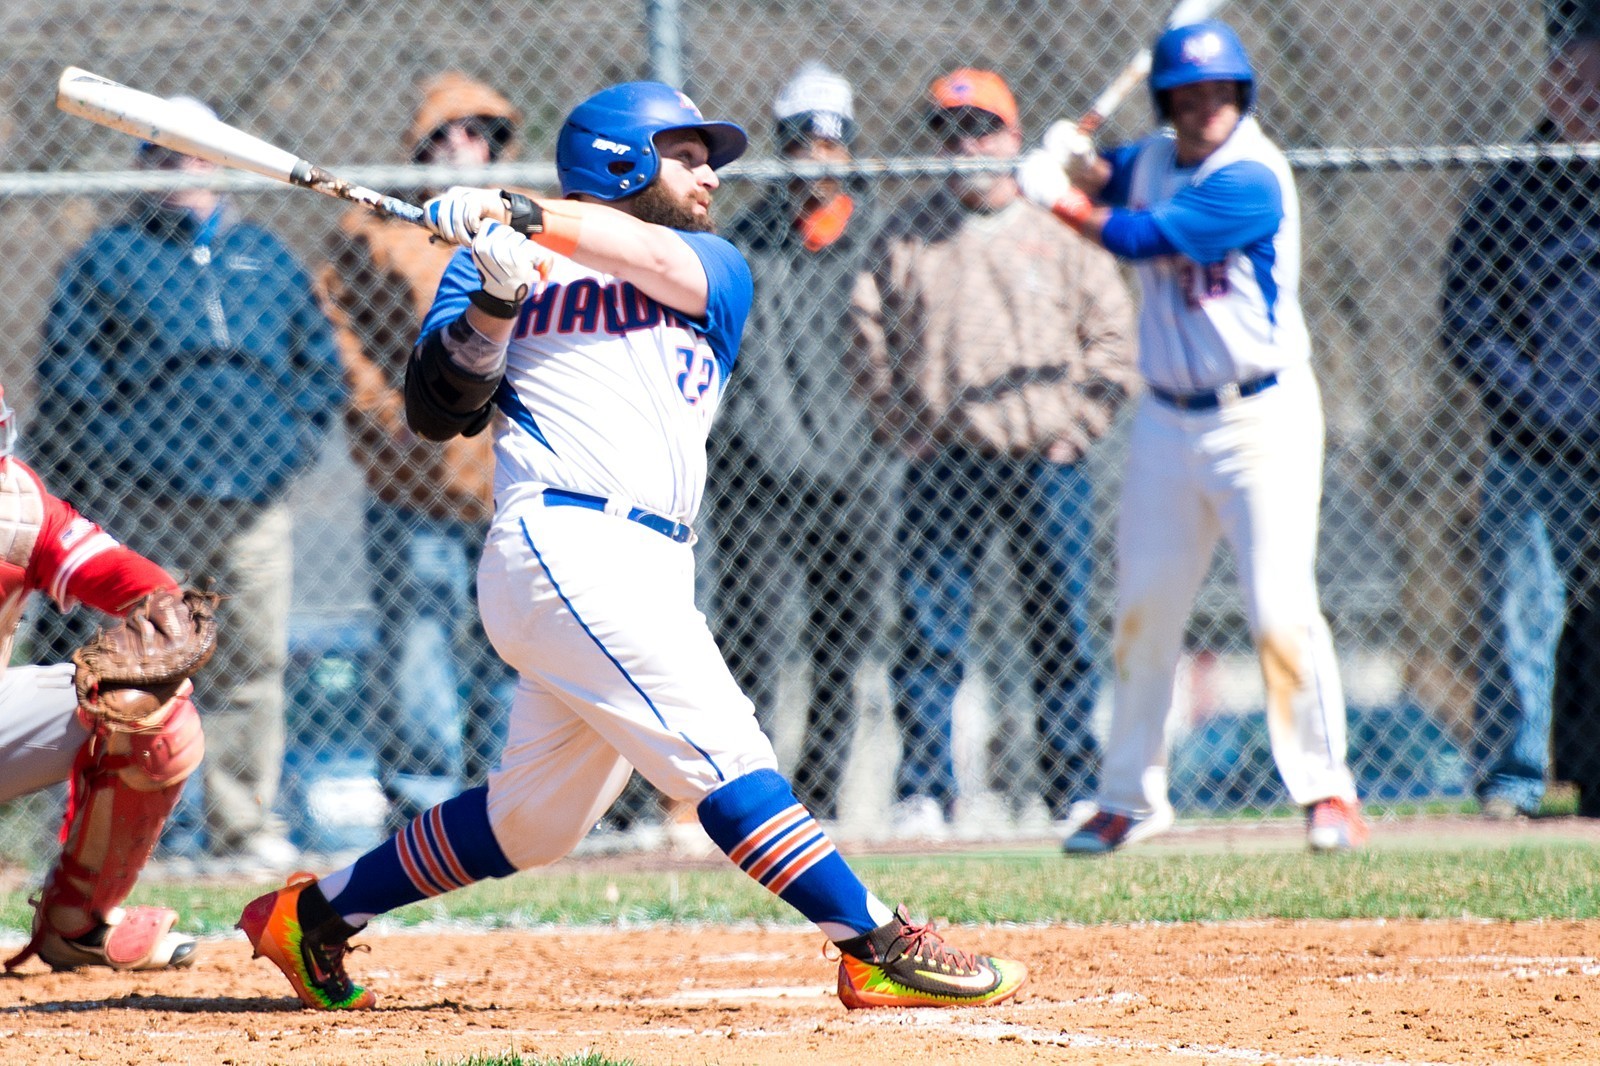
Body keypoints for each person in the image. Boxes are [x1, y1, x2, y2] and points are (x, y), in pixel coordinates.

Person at [236, 81, 1026, 1012]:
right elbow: (438, 408)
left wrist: (519, 214)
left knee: (533, 823)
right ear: (620, 158)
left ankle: (314, 917)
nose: (709, 175)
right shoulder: (500, 260)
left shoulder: (712, 265)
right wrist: (494, 299)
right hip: (562, 540)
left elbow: (645, 252)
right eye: (686, 154)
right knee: (728, 750)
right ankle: (875, 943)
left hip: (651, 563)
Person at [1017, 19, 1367, 852]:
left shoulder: (1252, 176)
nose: (1205, 108)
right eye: (1188, 95)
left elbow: (1142, 235)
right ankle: (1128, 798)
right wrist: (1079, 162)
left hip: (1262, 419)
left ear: (1239, 96)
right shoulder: (1156, 157)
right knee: (1143, 611)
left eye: (1218, 93)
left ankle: (1326, 792)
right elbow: (1119, 180)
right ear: (1167, 101)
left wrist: (1058, 196)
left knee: (1280, 606)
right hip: (1167, 421)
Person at [32, 96, 345, 867]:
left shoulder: (266, 257)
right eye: (161, 152)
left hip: (253, 502)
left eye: (193, 150)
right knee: (140, 668)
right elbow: (70, 378)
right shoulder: (108, 259)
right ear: (141, 164)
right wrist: (126, 457)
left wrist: (289, 448)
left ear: (218, 159)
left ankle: (244, 827)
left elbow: (319, 369)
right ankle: (133, 836)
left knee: (251, 665)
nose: (180, 165)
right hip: (148, 503)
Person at [851, 68, 1136, 838]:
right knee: (930, 635)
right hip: (943, 459)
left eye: (981, 128)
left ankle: (1074, 783)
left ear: (1012, 137)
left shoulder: (1058, 228)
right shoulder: (908, 233)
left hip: (1046, 459)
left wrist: (1080, 423)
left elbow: (1114, 335)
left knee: (1061, 629)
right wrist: (896, 421)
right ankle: (926, 793)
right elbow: (866, 330)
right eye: (949, 130)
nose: (966, 144)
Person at [317, 72, 521, 831]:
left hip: (512, 482)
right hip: (416, 484)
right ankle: (424, 805)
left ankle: (508, 806)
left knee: (517, 648)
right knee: (420, 652)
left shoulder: (529, 233)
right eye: (445, 134)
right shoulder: (374, 234)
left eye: (477, 133)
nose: (461, 147)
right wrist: (387, 409)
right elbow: (339, 340)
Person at [704, 63, 893, 821]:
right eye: (799, 141)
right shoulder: (744, 240)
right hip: (759, 478)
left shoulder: (880, 237)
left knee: (842, 647)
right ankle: (750, 800)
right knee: (749, 645)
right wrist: (755, 437)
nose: (814, 156)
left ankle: (819, 799)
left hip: (857, 476)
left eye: (828, 141)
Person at [1442, 3, 1600, 820]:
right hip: (1532, 447)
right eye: (1575, 80)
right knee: (1521, 617)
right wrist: (1539, 399)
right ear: (1548, 85)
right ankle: (1513, 780)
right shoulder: (1512, 190)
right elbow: (1466, 318)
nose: (1590, 96)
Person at [0, 387, 215, 973]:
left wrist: (164, 607)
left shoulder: (18, 507)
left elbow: (118, 572)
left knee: (154, 715)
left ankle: (78, 923)